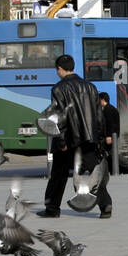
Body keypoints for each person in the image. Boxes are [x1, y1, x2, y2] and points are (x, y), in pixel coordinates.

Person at [39, 55, 106, 218]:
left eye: (57, 70)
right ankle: (105, 206)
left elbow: (59, 117)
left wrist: (61, 141)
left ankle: (52, 208)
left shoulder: (58, 89)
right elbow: (98, 116)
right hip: (88, 139)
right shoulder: (90, 87)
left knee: (58, 176)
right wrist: (99, 138)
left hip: (68, 140)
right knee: (92, 172)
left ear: (60, 69)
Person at [99, 91, 120, 175]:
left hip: (110, 136)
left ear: (103, 100)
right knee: (108, 153)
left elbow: (111, 124)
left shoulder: (108, 110)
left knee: (112, 154)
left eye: (99, 99)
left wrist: (109, 136)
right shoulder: (109, 108)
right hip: (111, 136)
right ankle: (105, 171)